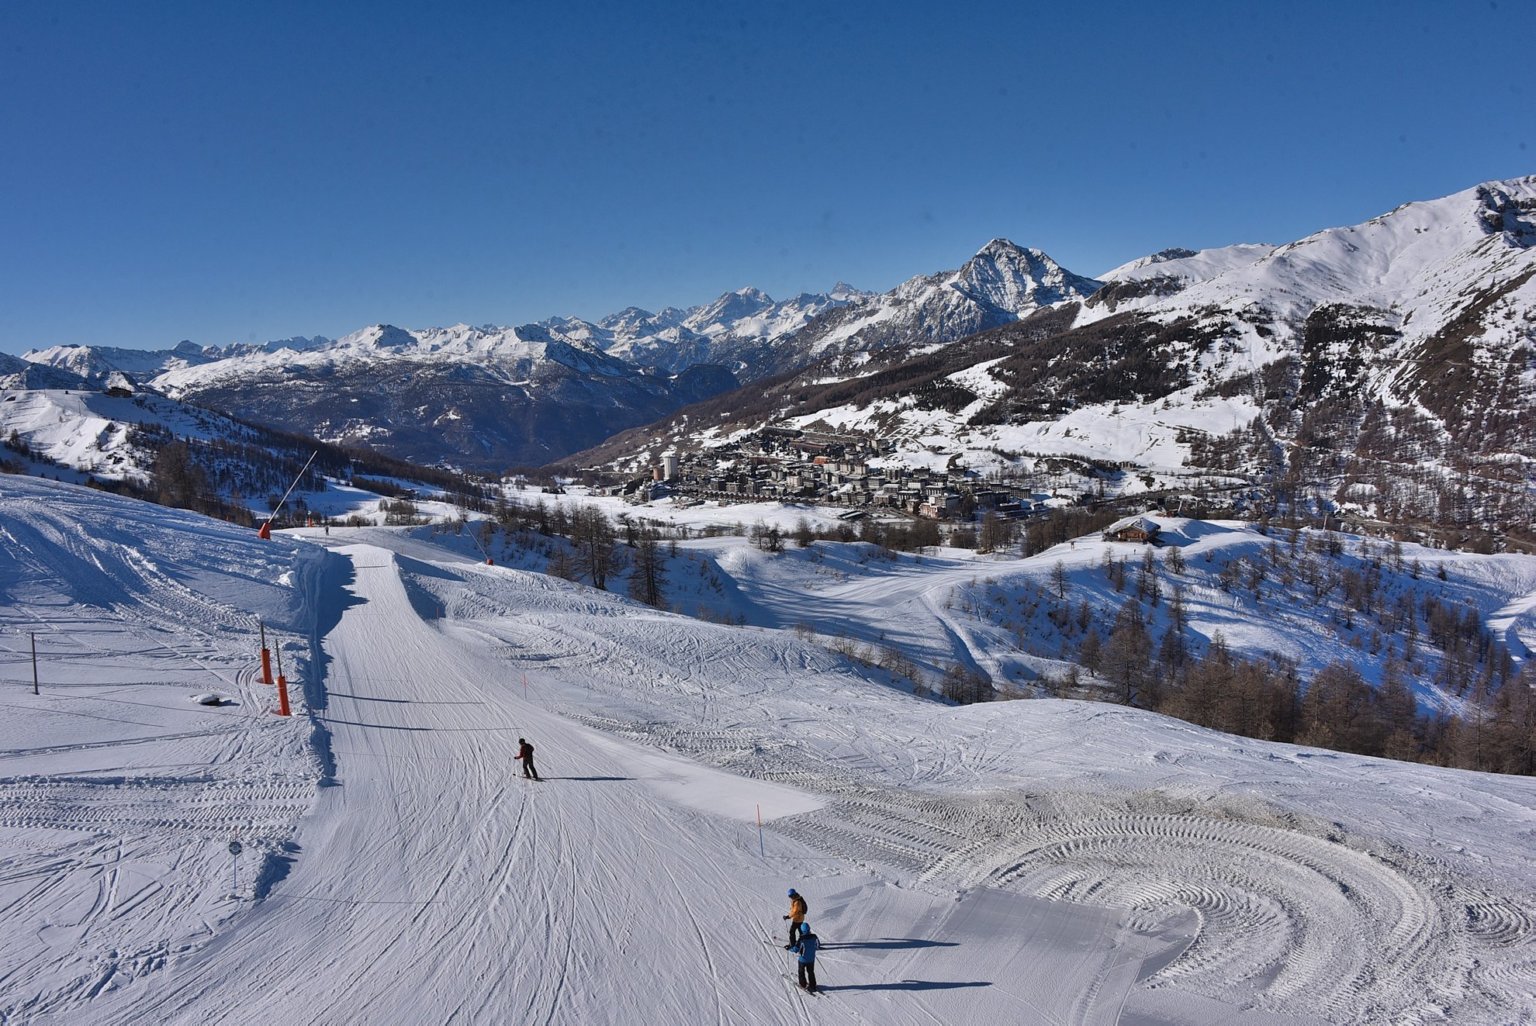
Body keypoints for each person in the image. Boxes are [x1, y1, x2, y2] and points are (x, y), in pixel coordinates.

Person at [791, 921, 819, 992]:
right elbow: (818, 945)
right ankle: (813, 985)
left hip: (802, 959)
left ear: (802, 930)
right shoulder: (814, 936)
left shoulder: (801, 939)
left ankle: (802, 984)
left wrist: (790, 949)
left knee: (801, 971)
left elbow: (796, 949)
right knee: (811, 972)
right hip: (811, 959)